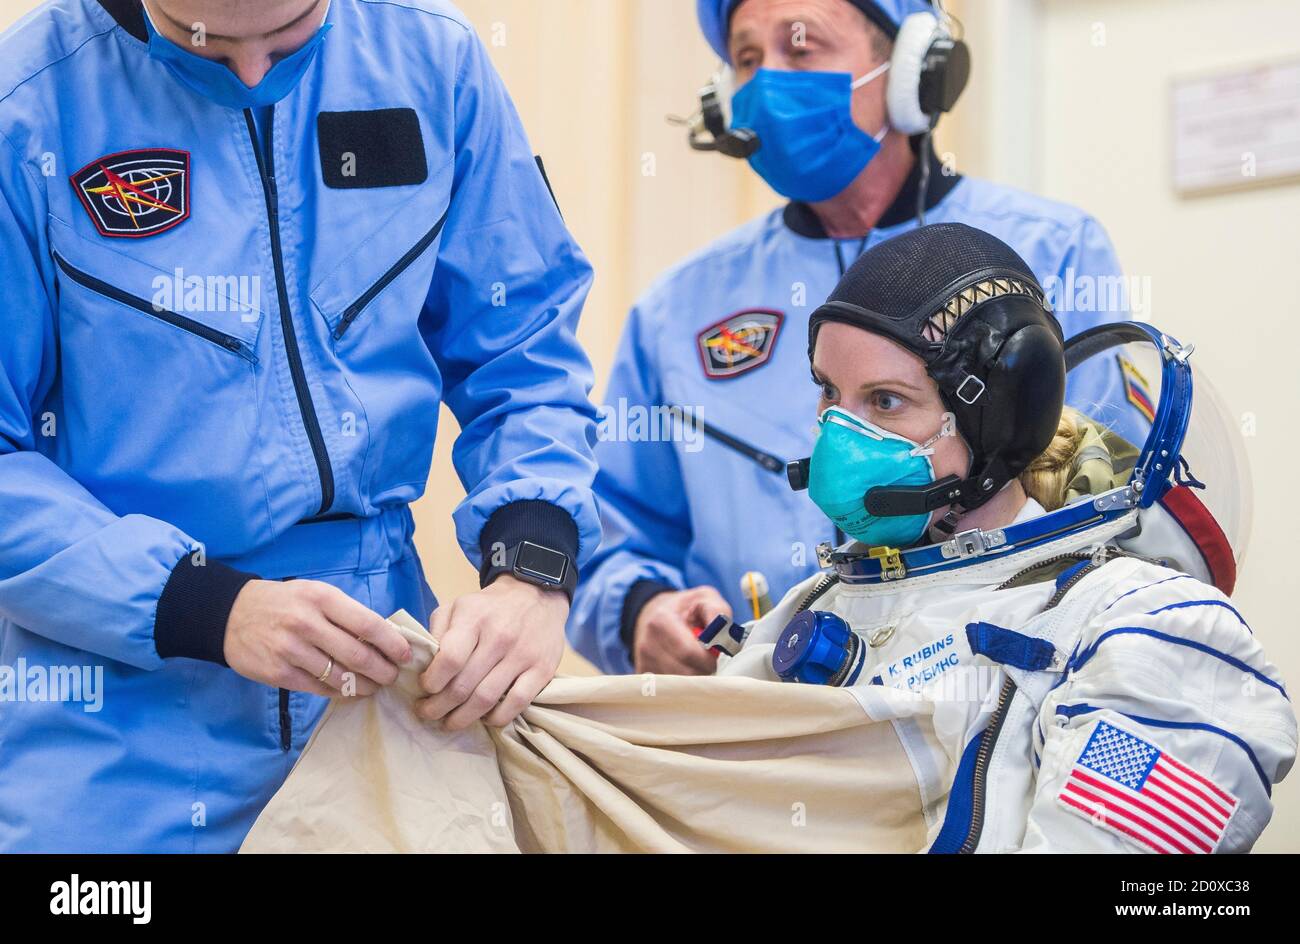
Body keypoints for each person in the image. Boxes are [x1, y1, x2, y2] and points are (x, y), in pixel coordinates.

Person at [0, 0, 600, 852]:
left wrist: (533, 568)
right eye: (205, 42)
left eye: (288, 42)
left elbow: (522, 344)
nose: (253, 78)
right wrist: (200, 605)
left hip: (382, 687)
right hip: (118, 716)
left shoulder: (437, 66)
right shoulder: (25, 109)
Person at [568, 0, 1137, 676]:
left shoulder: (1053, 250)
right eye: (747, 59)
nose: (768, 82)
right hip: (757, 718)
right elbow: (608, 531)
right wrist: (640, 610)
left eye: (801, 47)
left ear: (907, 70)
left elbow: (1110, 504)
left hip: (986, 703)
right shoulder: (677, 309)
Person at [709, 222, 1296, 852]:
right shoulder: (810, 609)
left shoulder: (1153, 631)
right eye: (830, 393)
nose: (837, 438)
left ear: (998, 414)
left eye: (884, 401)